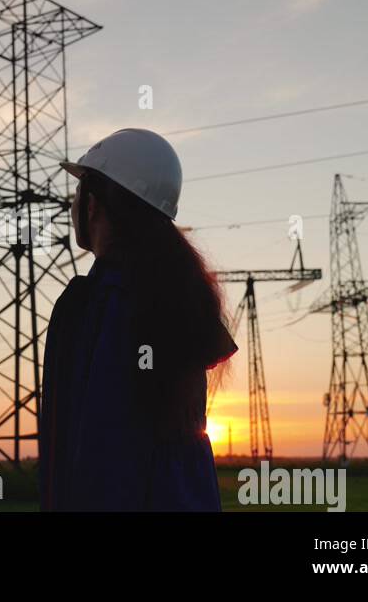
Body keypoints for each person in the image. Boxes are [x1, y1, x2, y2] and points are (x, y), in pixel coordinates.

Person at [39, 128, 237, 512]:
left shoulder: (95, 304)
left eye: (78, 192)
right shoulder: (175, 300)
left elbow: (93, 457)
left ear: (93, 204)